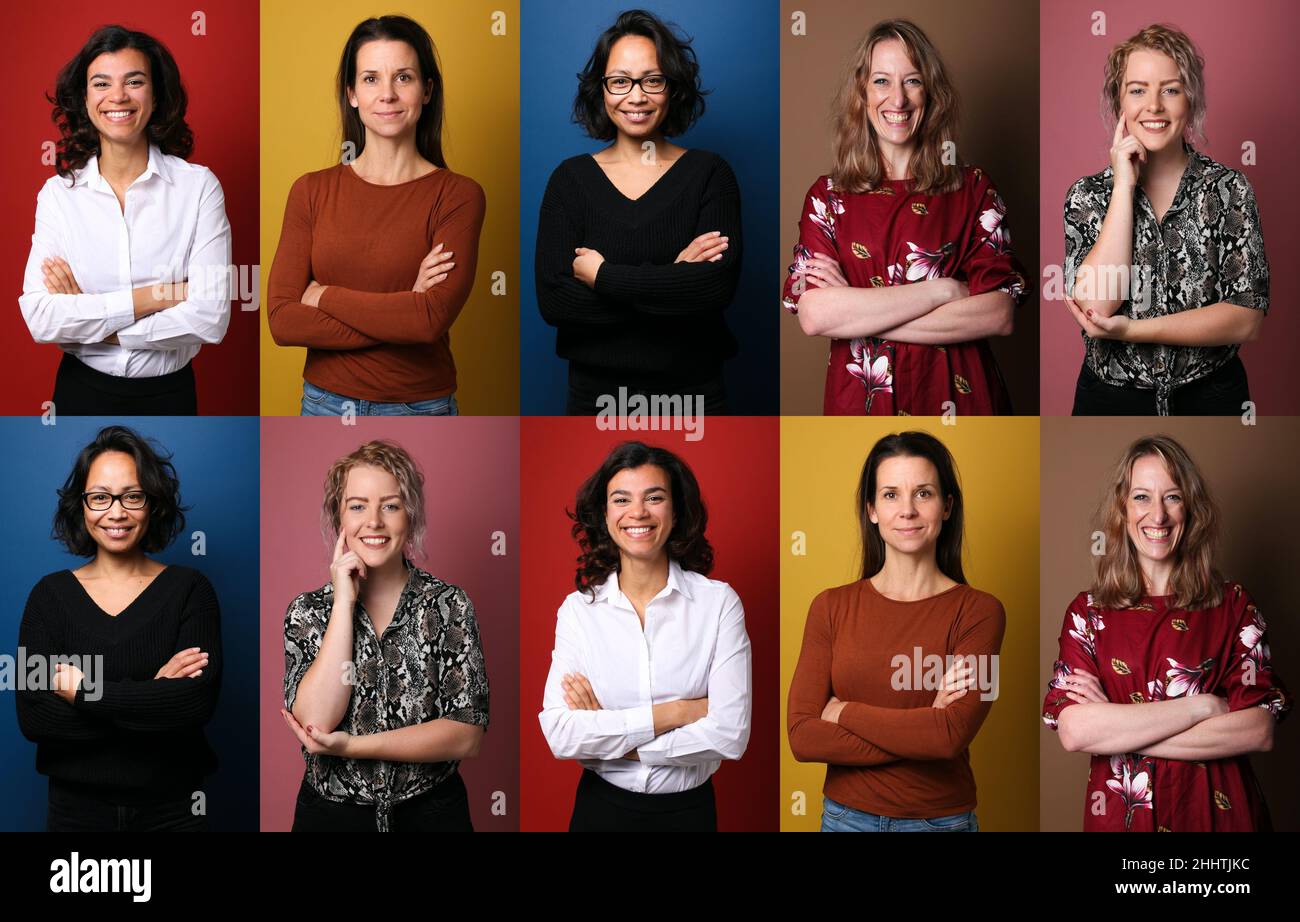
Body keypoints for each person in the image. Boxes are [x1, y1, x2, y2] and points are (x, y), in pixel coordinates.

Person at [1043, 436, 1288, 831]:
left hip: (1218, 817)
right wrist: (1202, 707)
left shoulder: (1234, 606)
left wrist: (1116, 726)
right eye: (1141, 497)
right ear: (1122, 510)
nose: (1157, 516)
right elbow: (1075, 731)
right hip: (1122, 819)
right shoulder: (1086, 613)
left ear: (1191, 510)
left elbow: (1258, 730)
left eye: (1172, 497)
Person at [783, 20, 1026, 416]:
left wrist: (856, 311)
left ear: (931, 93)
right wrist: (942, 291)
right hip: (861, 403)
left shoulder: (974, 189)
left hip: (960, 399)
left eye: (912, 81)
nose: (897, 99)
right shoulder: (826, 197)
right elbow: (815, 315)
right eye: (881, 81)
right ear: (862, 93)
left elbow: (998, 314)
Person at [267, 15, 485, 416]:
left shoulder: (458, 195)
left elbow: (427, 321)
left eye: (403, 77)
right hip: (324, 403)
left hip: (420, 405)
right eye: (370, 79)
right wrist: (402, 309)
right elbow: (283, 321)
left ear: (426, 91)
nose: (387, 94)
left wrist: (322, 296)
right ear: (351, 93)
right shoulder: (310, 191)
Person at [787, 431, 1004, 831]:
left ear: (947, 506)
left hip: (939, 821)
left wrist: (842, 712)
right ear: (871, 509)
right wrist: (923, 728)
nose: (907, 510)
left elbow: (949, 738)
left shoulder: (982, 612)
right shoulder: (829, 607)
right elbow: (802, 738)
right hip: (844, 820)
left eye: (923, 493)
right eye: (890, 495)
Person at [535, 9, 742, 415]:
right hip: (596, 399)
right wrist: (673, 279)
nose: (636, 96)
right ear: (602, 89)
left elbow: (713, 290)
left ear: (673, 88)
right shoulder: (569, 180)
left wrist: (603, 276)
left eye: (652, 79)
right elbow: (555, 303)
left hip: (694, 396)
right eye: (619, 81)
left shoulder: (710, 174)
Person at [16, 425, 221, 831]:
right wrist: (153, 693)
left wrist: (84, 691)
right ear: (82, 505)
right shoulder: (47, 597)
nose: (116, 512)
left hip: (173, 811)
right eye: (99, 497)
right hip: (76, 813)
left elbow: (193, 707)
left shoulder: (190, 589)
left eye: (132, 495)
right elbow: (34, 719)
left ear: (153, 504)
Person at [18, 25, 232, 415]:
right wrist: (154, 297)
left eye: (134, 81)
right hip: (80, 390)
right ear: (84, 99)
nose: (118, 96)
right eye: (101, 83)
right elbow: (41, 318)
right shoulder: (58, 197)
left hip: (170, 395)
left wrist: (93, 320)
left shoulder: (198, 187)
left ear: (155, 96)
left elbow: (211, 316)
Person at [539, 441, 751, 831]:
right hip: (600, 811)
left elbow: (729, 735)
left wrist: (612, 736)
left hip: (688, 814)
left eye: (654, 497)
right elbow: (562, 735)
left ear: (675, 512)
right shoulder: (578, 612)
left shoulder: (718, 604)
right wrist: (677, 713)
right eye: (621, 499)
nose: (638, 512)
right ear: (604, 515)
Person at [281, 440, 488, 831]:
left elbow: (466, 734)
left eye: (390, 505)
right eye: (357, 506)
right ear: (338, 517)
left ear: (409, 516)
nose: (373, 521)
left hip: (432, 814)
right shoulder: (307, 611)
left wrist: (351, 747)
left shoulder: (448, 604)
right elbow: (315, 723)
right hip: (330, 817)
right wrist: (343, 604)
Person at [1063, 25, 1269, 416]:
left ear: (1190, 100)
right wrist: (1123, 186)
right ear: (1118, 101)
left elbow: (1246, 317)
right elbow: (1096, 307)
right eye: (1138, 90)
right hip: (1110, 400)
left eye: (1170, 89)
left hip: (1212, 397)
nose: (1154, 106)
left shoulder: (1228, 189)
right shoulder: (1087, 195)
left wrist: (1133, 331)